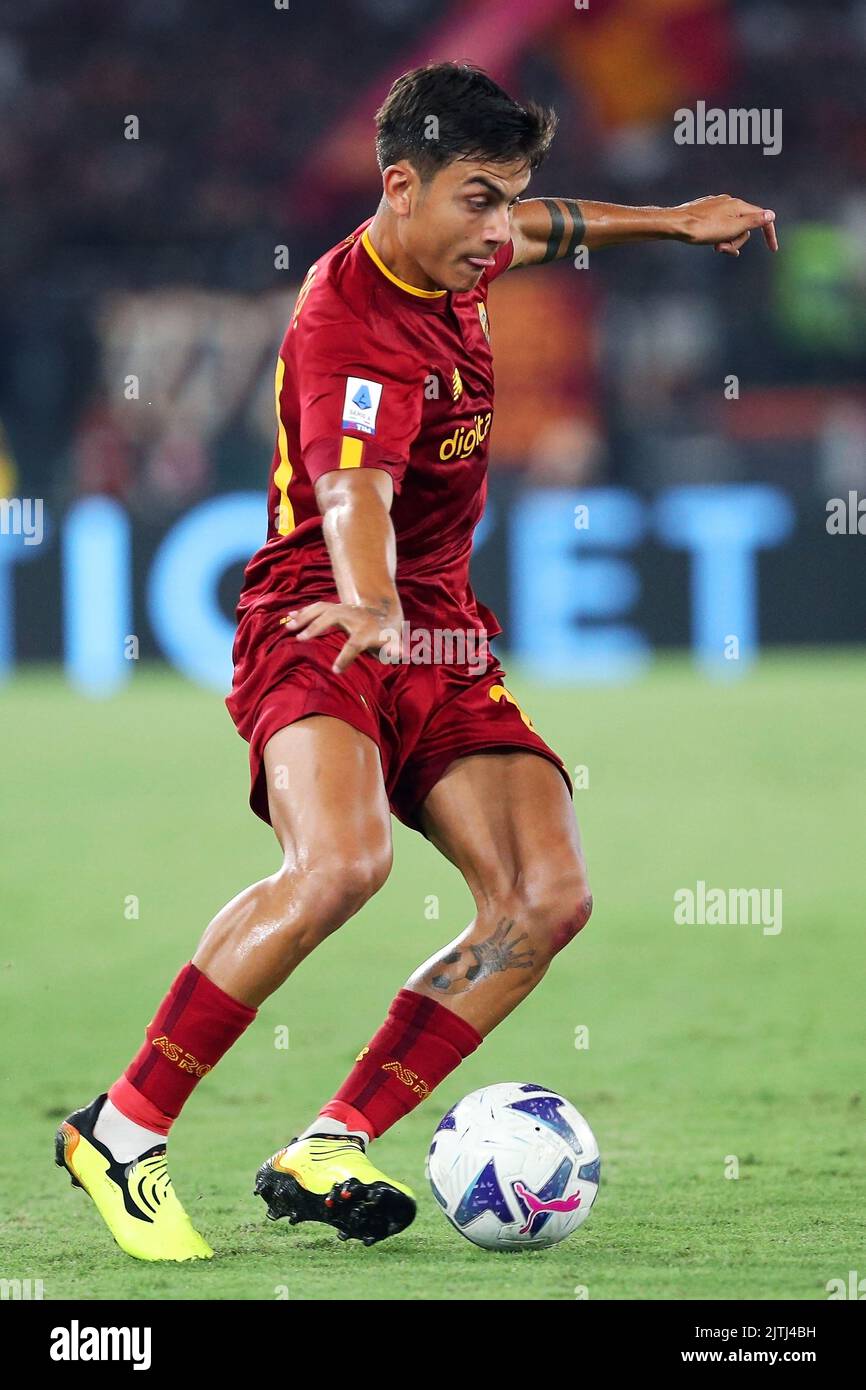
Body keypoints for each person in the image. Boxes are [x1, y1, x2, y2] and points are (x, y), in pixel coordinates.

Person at [56, 61, 778, 1260]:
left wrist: (667, 221)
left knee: (547, 897)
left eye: (505, 202)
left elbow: (550, 226)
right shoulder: (347, 326)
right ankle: (121, 1131)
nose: (498, 230)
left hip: (438, 633)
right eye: (478, 201)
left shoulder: (458, 242)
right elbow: (354, 492)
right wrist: (376, 603)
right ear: (400, 186)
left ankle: (333, 1136)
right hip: (321, 621)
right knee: (340, 863)